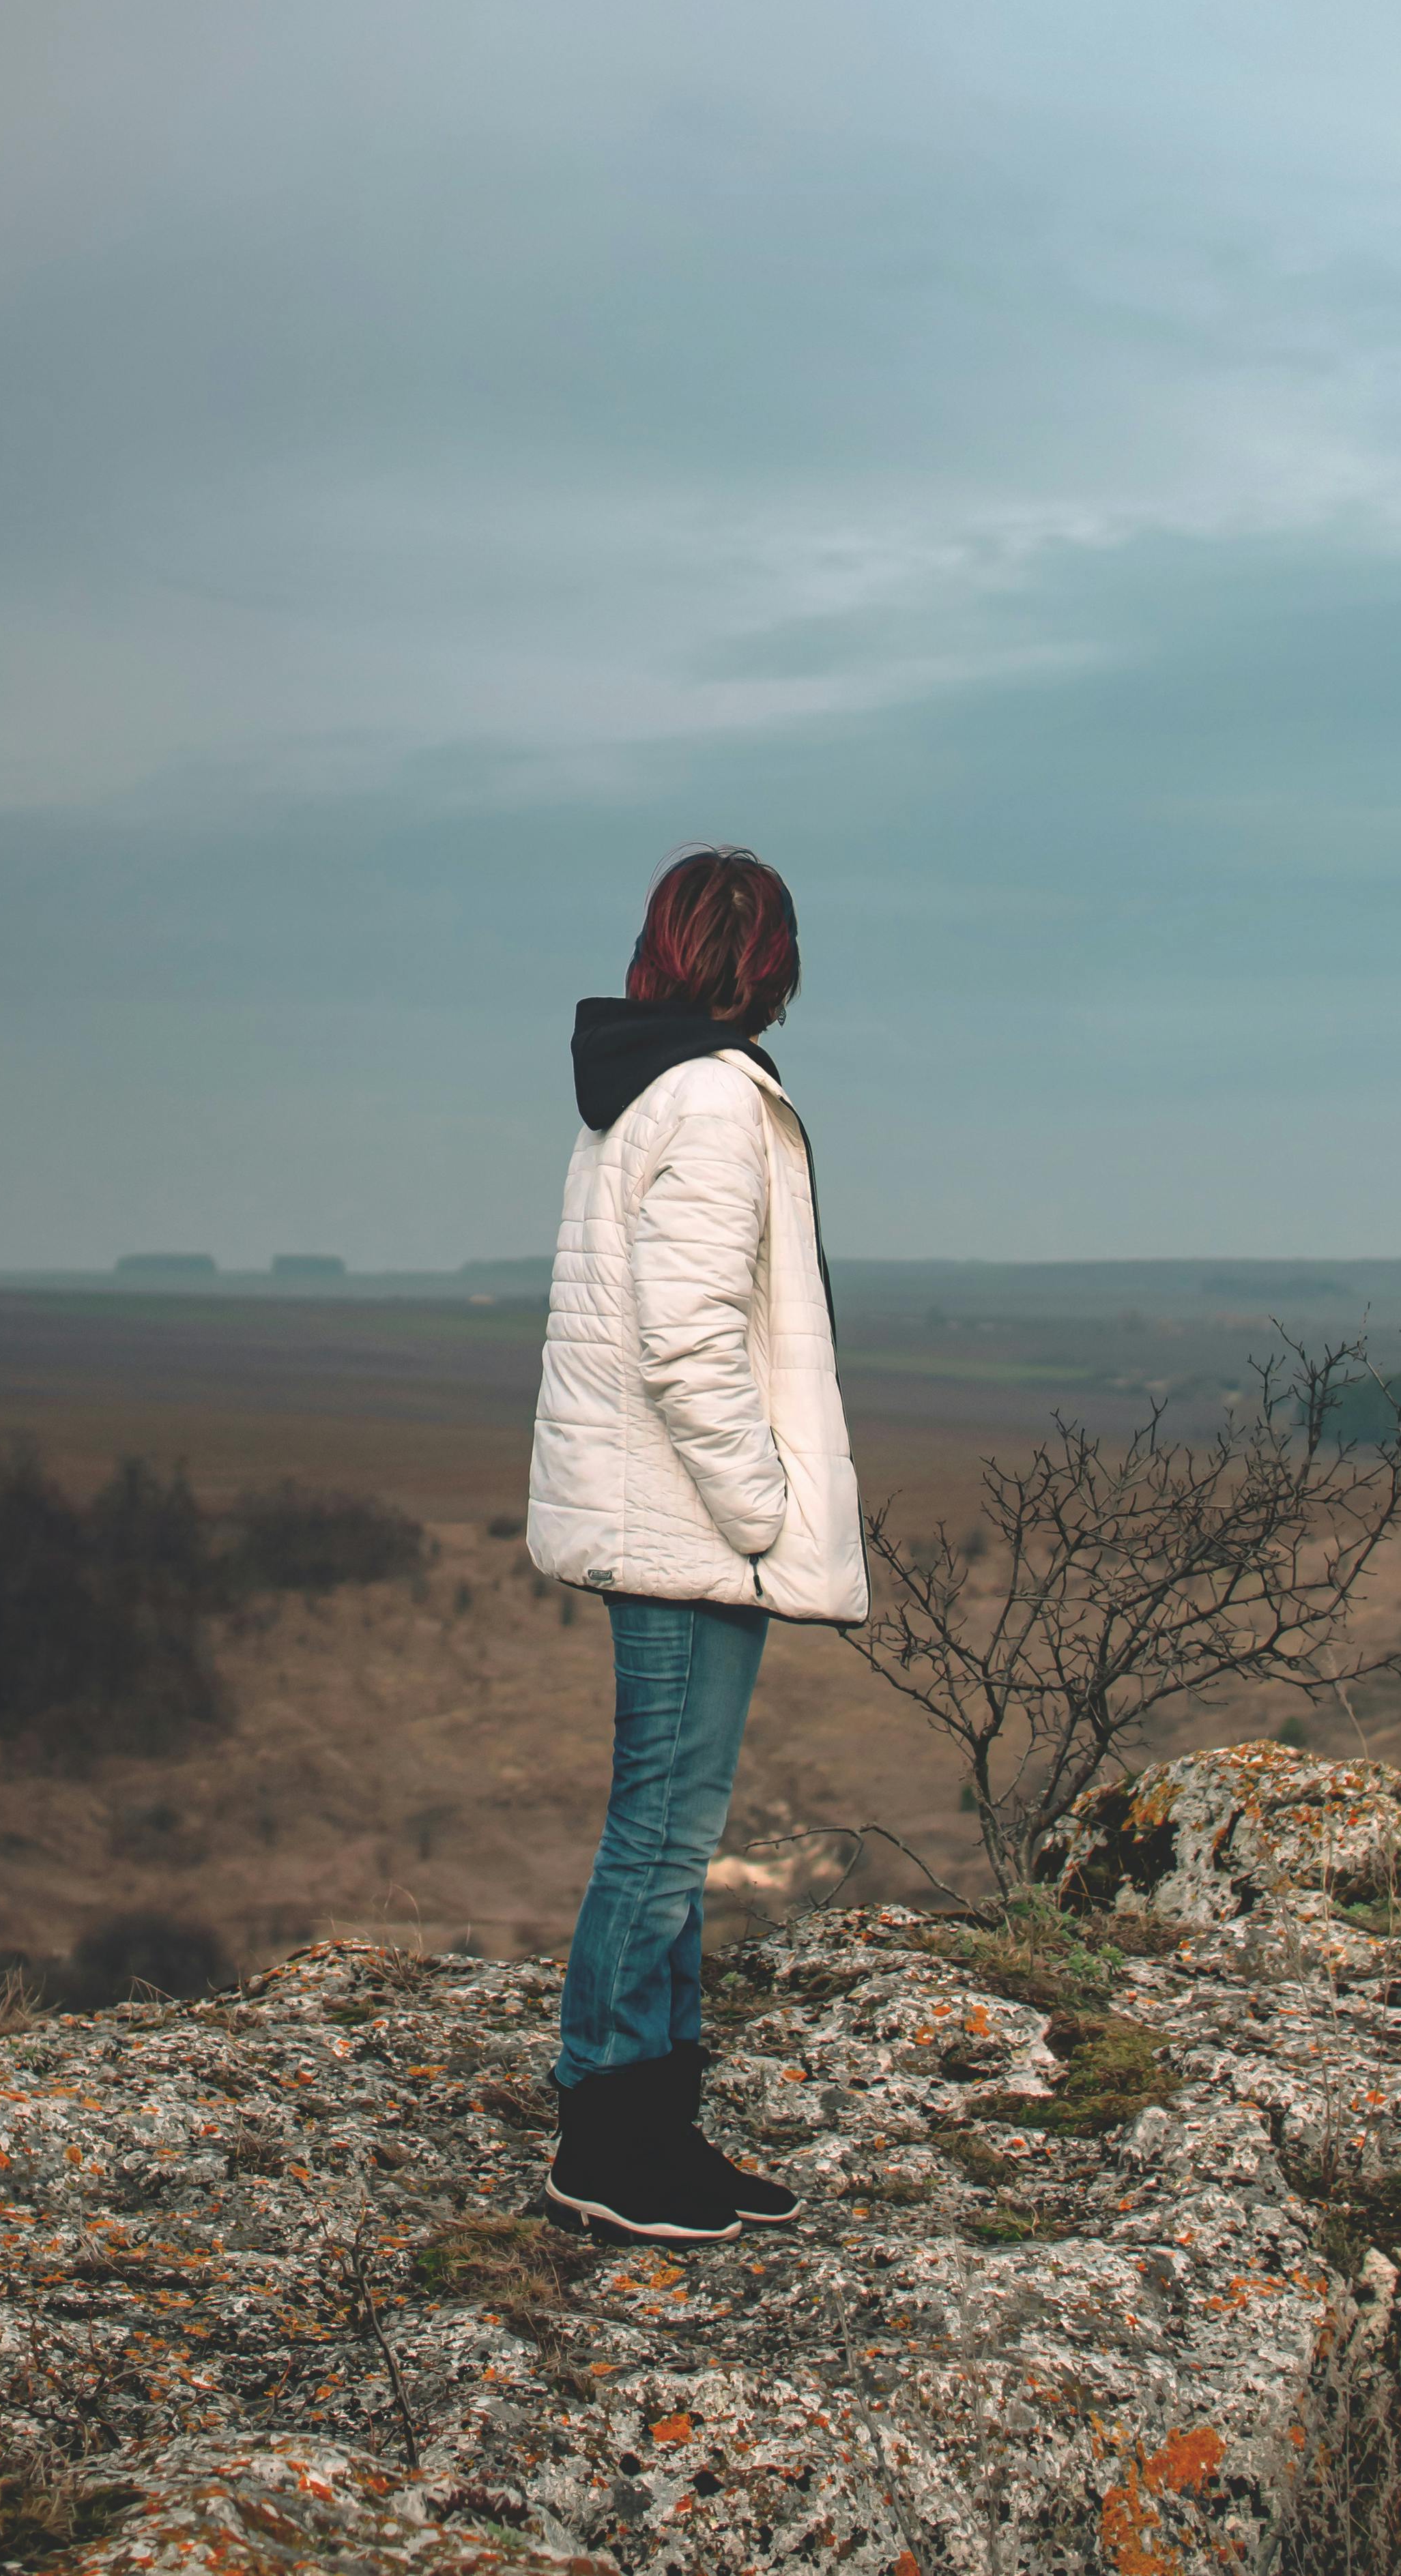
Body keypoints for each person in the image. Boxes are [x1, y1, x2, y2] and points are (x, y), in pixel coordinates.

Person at [526, 845, 867, 2242]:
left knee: (675, 1830)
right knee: (662, 1836)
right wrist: (762, 1508)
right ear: (766, 961)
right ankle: (606, 2141)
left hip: (664, 1519)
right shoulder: (713, 1098)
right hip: (685, 1526)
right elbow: (686, 1343)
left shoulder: (644, 1087)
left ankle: (658, 2127)